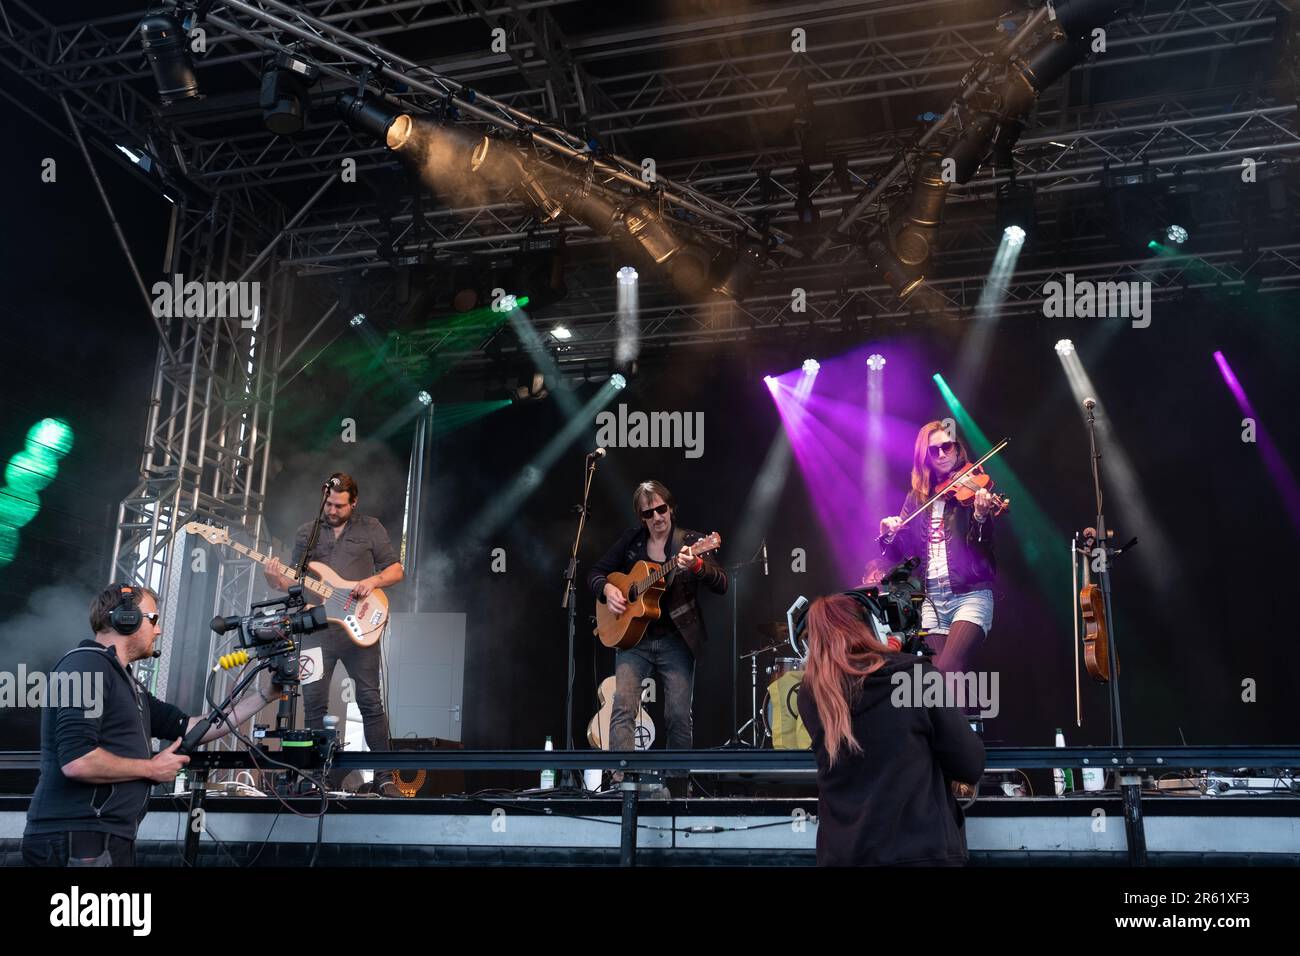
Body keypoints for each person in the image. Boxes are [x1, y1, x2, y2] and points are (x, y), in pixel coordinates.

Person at [23, 584, 280, 866]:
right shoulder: (85, 665)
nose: (158, 631)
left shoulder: (128, 684)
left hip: (105, 837)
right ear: (125, 618)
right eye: (153, 619)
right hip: (76, 836)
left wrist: (266, 695)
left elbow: (192, 727)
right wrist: (151, 768)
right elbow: (78, 761)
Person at [797, 593, 985, 866]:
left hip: (844, 855)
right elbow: (969, 764)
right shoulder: (915, 676)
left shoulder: (811, 693)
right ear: (871, 628)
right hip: (922, 853)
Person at [265, 472, 403, 795]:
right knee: (313, 703)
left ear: (354, 503)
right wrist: (275, 580)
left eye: (340, 506)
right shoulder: (307, 533)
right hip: (317, 627)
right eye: (329, 504)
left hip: (358, 628)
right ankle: (318, 777)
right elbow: (294, 584)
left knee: (369, 700)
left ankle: (383, 777)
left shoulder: (371, 528)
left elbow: (396, 570)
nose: (333, 510)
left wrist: (372, 582)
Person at [588, 480, 726, 759]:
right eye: (647, 513)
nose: (656, 517)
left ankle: (676, 786)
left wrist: (697, 565)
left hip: (676, 640)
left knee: (677, 715)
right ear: (641, 517)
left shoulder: (690, 542)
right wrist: (608, 589)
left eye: (660, 509)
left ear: (670, 508)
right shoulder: (631, 540)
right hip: (634, 641)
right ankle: (621, 781)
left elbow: (721, 584)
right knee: (622, 708)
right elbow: (595, 573)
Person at [879, 421, 998, 674]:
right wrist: (887, 534)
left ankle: (965, 715)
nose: (942, 454)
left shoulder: (972, 486)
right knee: (937, 676)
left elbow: (982, 546)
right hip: (932, 599)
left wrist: (979, 516)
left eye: (947, 446)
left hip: (970, 593)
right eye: (934, 451)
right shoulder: (917, 497)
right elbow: (898, 556)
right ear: (925, 457)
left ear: (957, 449)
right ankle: (966, 716)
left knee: (949, 666)